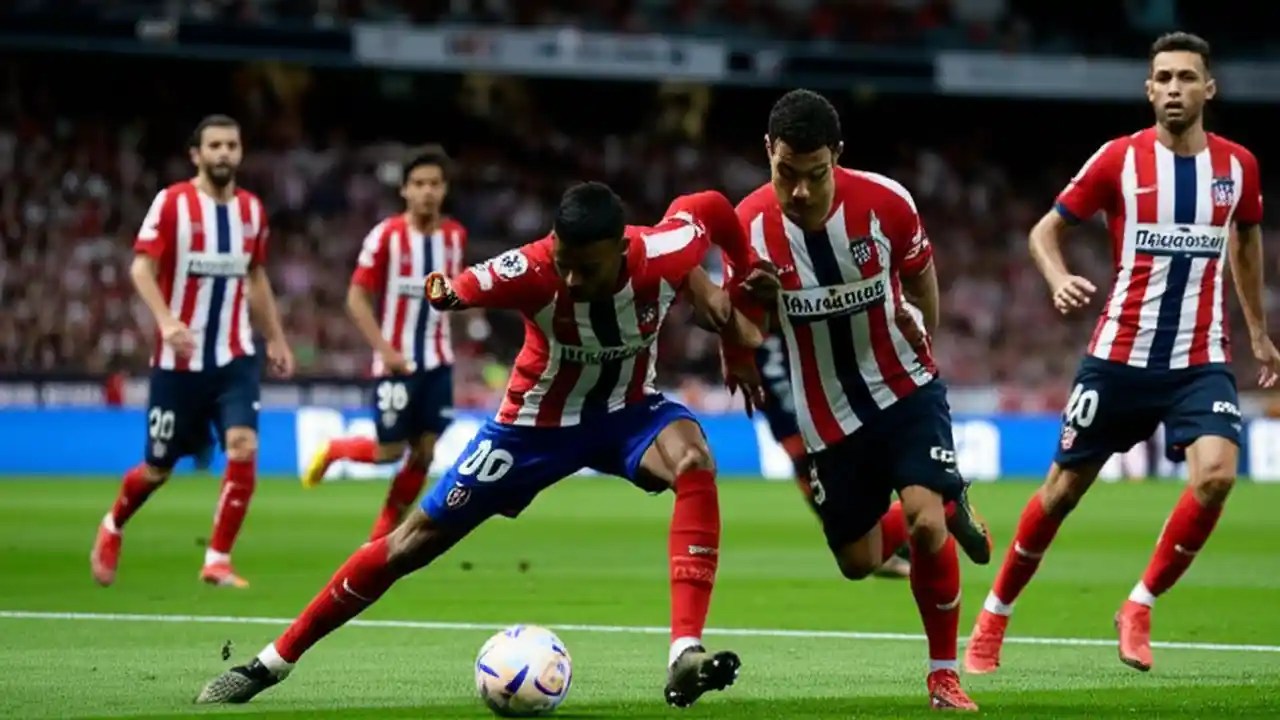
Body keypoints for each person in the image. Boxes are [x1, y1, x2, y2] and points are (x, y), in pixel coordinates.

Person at [196, 182, 773, 708]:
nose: (569, 280)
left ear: (621, 252)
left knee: (695, 458)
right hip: (530, 429)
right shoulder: (536, 267)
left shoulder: (666, 250)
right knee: (409, 544)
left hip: (629, 413)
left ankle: (684, 653)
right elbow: (465, 285)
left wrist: (743, 290)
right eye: (563, 264)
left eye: (585, 270)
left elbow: (716, 209)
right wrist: (446, 291)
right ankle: (270, 663)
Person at [965, 31, 1278, 675]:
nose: (1172, 89)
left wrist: (1257, 329)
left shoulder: (1238, 167)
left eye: (1186, 78)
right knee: (1060, 493)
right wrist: (1056, 278)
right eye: (1162, 78)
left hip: (1199, 359)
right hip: (1117, 358)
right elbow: (1044, 231)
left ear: (1208, 88)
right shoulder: (1118, 160)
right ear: (1148, 88)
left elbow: (1246, 243)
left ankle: (1139, 604)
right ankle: (994, 614)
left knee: (1218, 474)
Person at [727, 89, 991, 711]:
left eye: (814, 175)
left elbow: (921, 270)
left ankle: (942, 674)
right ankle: (948, 504)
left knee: (924, 526)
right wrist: (751, 301)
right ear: (769, 153)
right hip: (828, 419)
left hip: (904, 387)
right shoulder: (749, 225)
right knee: (857, 560)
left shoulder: (885, 203)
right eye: (785, 173)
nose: (798, 191)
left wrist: (926, 334)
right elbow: (740, 327)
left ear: (837, 158)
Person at [90, 115, 294, 589]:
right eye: (215, 146)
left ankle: (217, 559)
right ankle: (113, 524)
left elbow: (256, 276)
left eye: (232, 145)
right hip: (178, 362)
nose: (224, 153)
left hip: (235, 356)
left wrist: (276, 336)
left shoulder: (252, 211)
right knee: (158, 468)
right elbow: (142, 267)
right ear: (196, 155)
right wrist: (165, 320)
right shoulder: (172, 204)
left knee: (243, 446)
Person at [302, 146, 467, 540]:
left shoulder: (455, 237)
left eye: (434, 184)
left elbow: (454, 292)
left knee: (425, 453)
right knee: (388, 452)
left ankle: (381, 535)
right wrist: (385, 350)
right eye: (418, 184)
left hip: (438, 361)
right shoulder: (386, 236)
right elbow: (356, 297)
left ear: (444, 190)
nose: (427, 192)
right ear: (405, 190)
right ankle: (335, 449)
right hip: (395, 362)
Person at [755, 331, 911, 578]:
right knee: (808, 468)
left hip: (807, 382)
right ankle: (895, 530)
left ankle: (920, 513)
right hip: (779, 388)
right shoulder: (759, 324)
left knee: (829, 466)